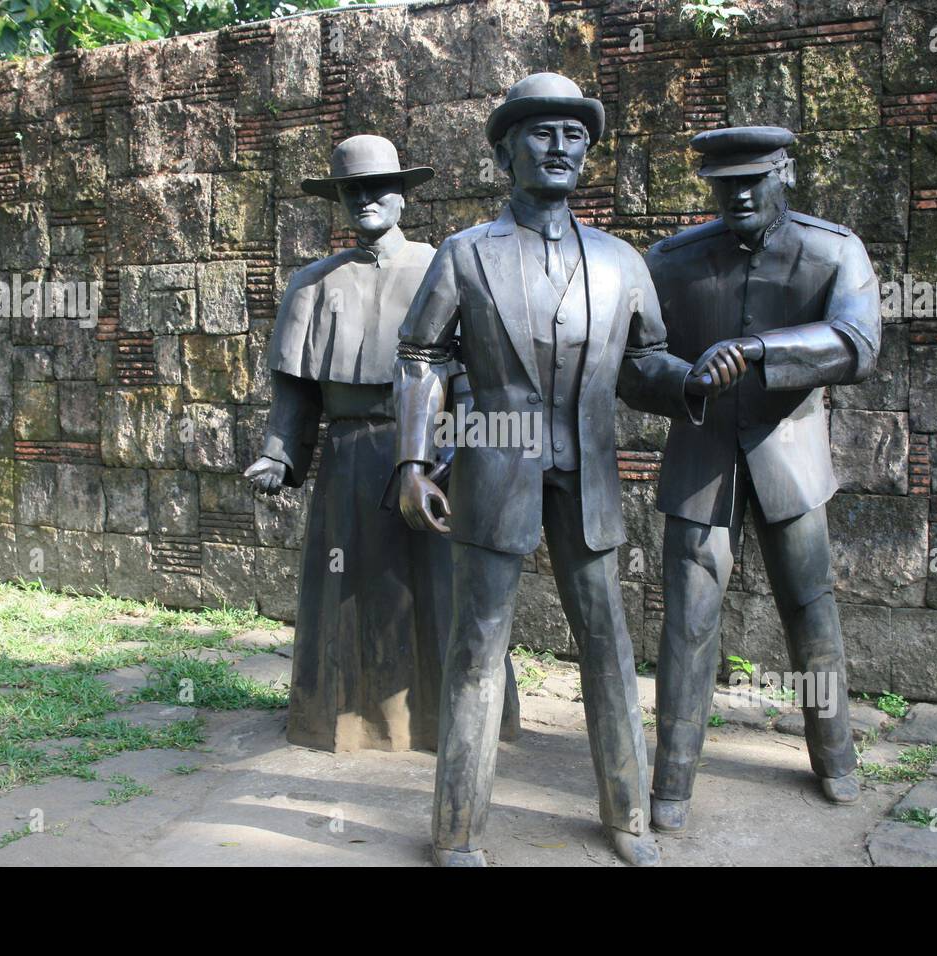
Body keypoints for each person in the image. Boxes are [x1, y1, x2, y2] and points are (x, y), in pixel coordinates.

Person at [393, 74, 712, 866]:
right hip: (496, 473)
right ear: (506, 150)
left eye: (575, 134)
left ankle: (628, 817)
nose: (562, 146)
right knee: (477, 650)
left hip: (589, 477)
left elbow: (643, 365)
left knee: (607, 644)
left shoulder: (619, 261)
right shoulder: (464, 255)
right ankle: (458, 830)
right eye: (542, 132)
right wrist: (414, 459)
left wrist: (692, 381)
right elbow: (421, 356)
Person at [245, 134, 519, 752]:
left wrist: (458, 454)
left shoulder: (442, 268)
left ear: (401, 195)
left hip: (433, 453)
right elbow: (297, 390)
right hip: (348, 460)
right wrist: (278, 451)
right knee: (349, 591)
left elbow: (474, 375)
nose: (365, 199)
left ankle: (452, 721)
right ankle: (347, 722)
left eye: (377, 187)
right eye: (352, 190)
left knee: (442, 587)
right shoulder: (313, 284)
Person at [643, 126, 882, 831]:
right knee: (687, 620)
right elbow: (635, 359)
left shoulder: (832, 250)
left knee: (812, 611)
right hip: (701, 458)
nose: (739, 194)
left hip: (792, 462)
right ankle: (672, 781)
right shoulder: (673, 262)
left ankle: (835, 757)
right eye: (724, 183)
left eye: (754, 178)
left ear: (785, 174)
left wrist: (757, 350)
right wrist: (686, 379)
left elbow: (858, 343)